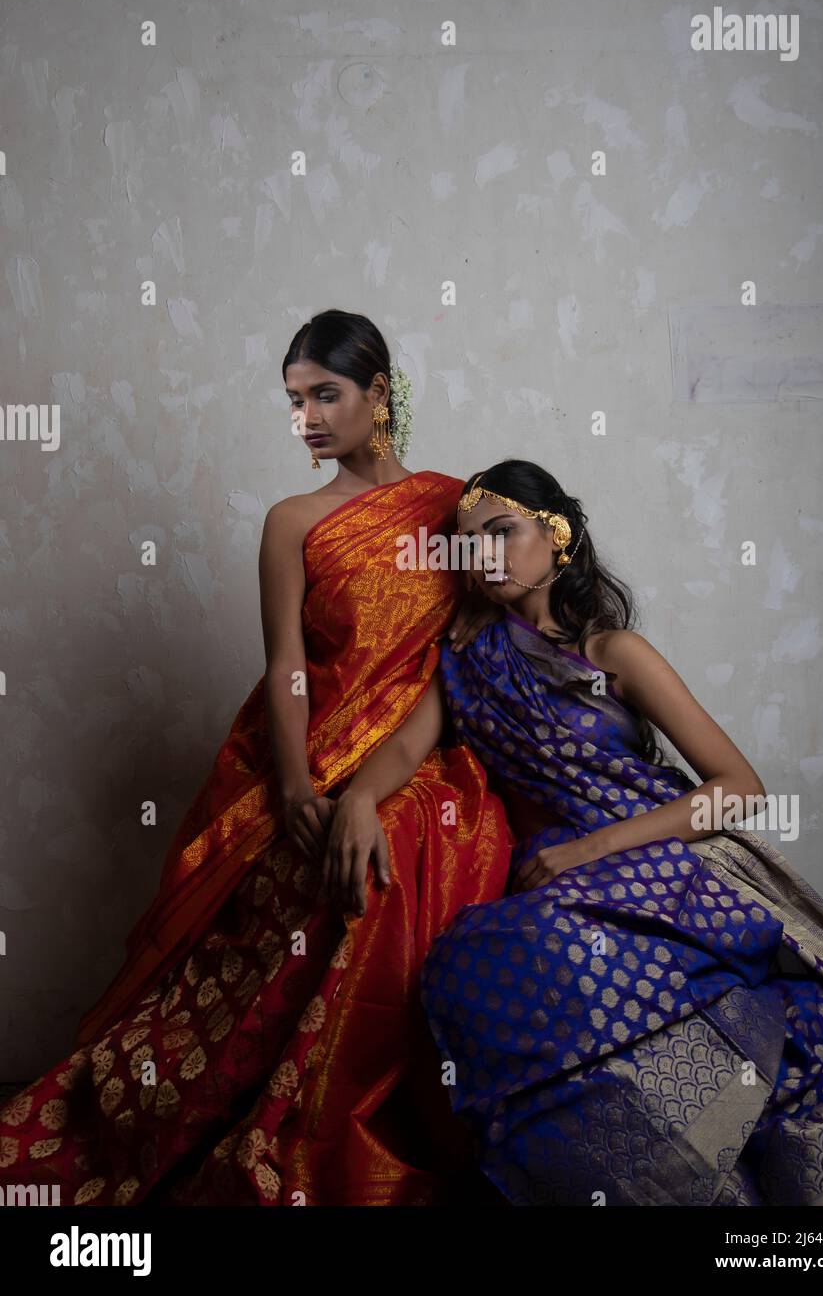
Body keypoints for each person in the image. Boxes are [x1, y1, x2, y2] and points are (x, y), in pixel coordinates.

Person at [0, 310, 512, 1207]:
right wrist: (297, 786)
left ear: (379, 394)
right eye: (293, 401)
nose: (307, 417)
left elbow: (479, 633)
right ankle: (203, 1117)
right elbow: (285, 666)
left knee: (407, 843)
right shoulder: (293, 521)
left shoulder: (452, 504)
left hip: (419, 755)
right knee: (298, 881)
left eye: (325, 395)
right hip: (307, 754)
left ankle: (352, 1138)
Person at [341, 459, 823, 1205]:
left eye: (502, 533)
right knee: (474, 965)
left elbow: (738, 789)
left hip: (662, 858)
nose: (485, 557)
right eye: (468, 545)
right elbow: (406, 748)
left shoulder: (613, 655)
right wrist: (355, 800)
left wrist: (593, 848)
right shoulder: (469, 661)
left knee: (802, 1035)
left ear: (558, 537)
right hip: (563, 881)